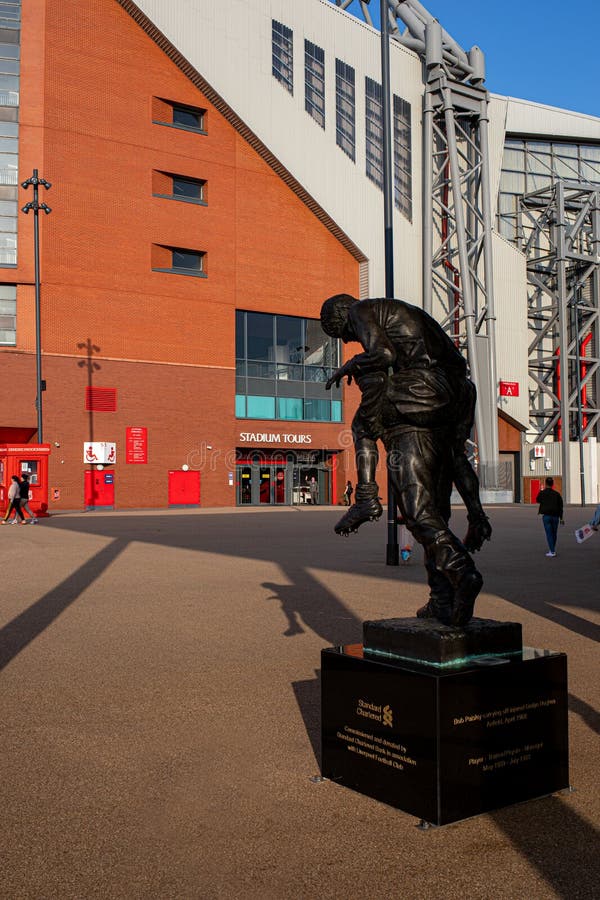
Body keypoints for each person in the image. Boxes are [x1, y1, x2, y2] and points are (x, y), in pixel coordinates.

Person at [321, 293, 492, 627]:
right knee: (441, 494)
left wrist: (351, 365)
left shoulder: (360, 310)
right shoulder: (401, 311)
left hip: (424, 389)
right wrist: (475, 511)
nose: (347, 338)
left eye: (342, 333)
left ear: (341, 315)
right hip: (458, 391)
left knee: (363, 426)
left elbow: (381, 353)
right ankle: (443, 596)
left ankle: (368, 500)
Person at [535, 477, 564, 557]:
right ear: (552, 484)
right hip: (555, 516)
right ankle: (552, 549)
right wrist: (561, 518)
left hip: (546, 516)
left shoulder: (542, 493)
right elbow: (560, 507)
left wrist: (541, 490)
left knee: (549, 534)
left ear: (546, 483)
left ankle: (552, 551)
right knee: (554, 533)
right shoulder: (557, 494)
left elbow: (537, 500)